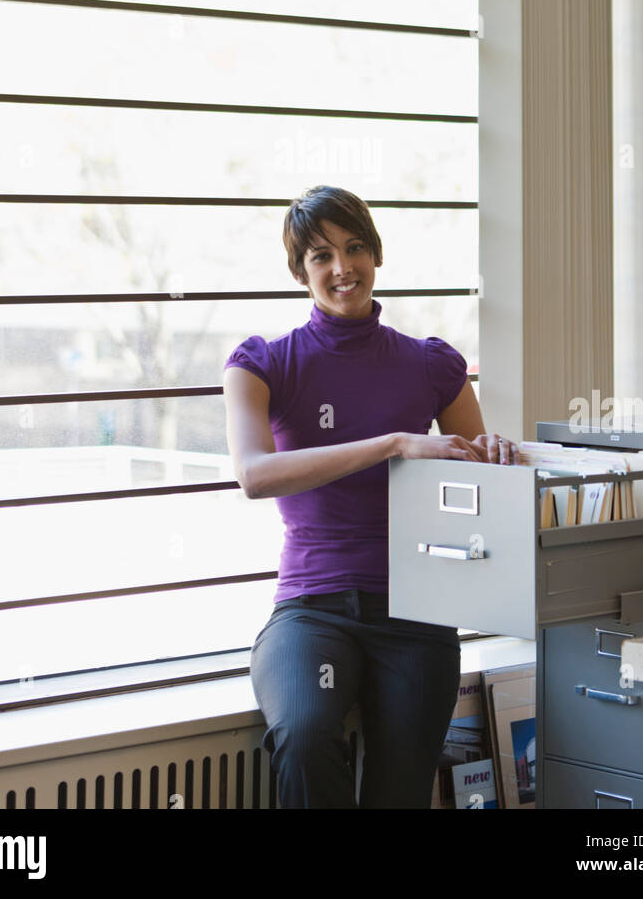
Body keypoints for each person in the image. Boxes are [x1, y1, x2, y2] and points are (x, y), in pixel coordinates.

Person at [222, 185, 518, 809]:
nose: (341, 268)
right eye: (320, 256)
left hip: (415, 612)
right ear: (300, 272)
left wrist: (495, 460)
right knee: (303, 736)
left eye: (354, 248)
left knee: (400, 791)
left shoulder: (432, 365)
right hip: (310, 610)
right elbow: (254, 474)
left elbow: (482, 489)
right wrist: (395, 444)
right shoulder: (263, 364)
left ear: (376, 254)